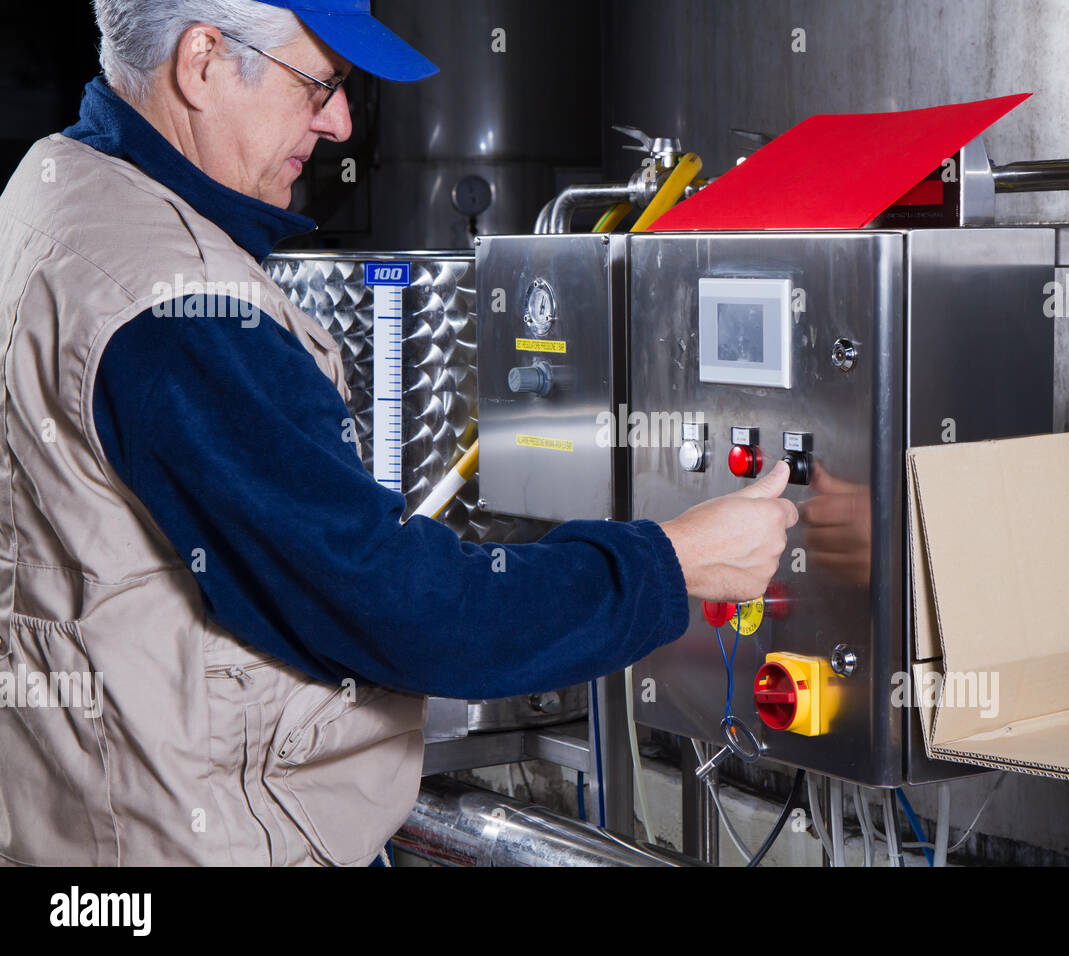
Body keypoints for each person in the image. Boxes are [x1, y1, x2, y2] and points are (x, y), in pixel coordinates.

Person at [0, 0, 798, 866]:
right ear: (202, 63)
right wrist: (670, 565)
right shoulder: (179, 310)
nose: (339, 125)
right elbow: (396, 608)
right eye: (321, 86)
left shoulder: (52, 198)